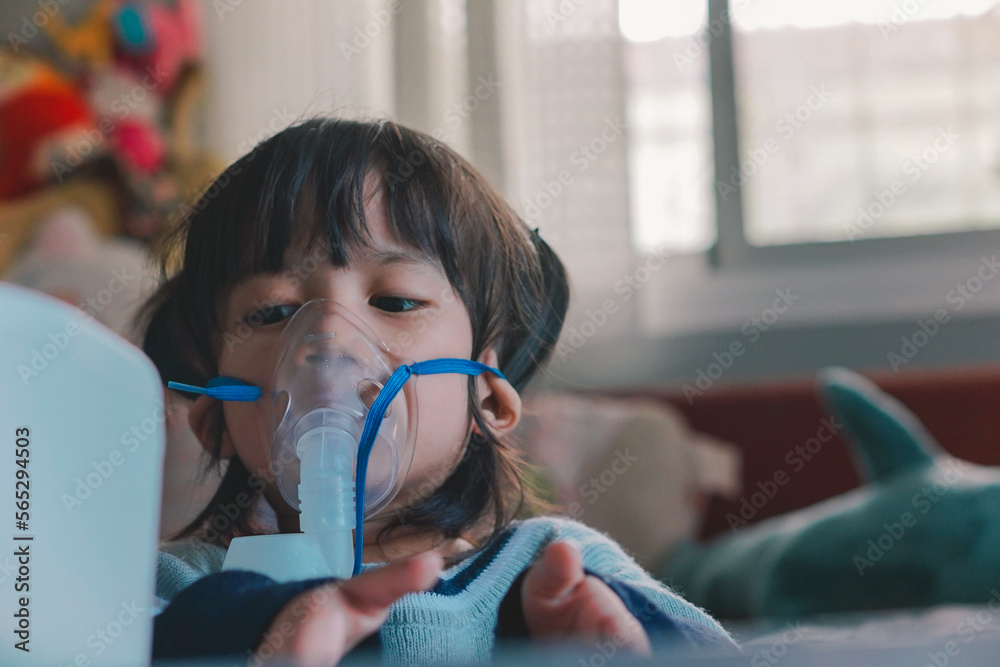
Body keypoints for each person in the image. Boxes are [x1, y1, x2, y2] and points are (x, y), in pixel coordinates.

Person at [141, 117, 735, 665]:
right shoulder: (176, 587)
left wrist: (624, 643)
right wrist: (250, 629)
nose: (327, 339)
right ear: (212, 415)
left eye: (396, 301)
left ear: (489, 398)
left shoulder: (553, 567)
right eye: (272, 312)